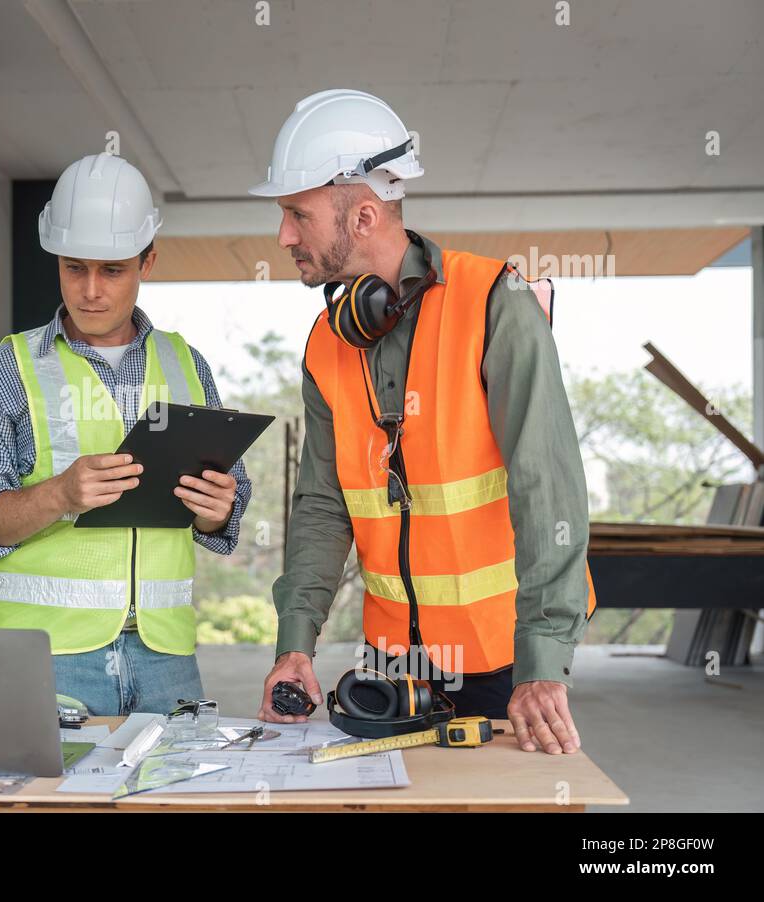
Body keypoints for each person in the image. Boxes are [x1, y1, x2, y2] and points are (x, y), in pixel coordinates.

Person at [251, 90, 595, 755]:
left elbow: (547, 491)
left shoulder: (497, 301)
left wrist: (543, 663)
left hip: (502, 664)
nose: (284, 236)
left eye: (297, 214)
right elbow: (324, 505)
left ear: (365, 214)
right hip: (393, 666)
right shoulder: (326, 343)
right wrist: (296, 644)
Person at [0, 153, 253, 715]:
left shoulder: (189, 365)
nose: (90, 289)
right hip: (45, 656)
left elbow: (224, 507)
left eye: (112, 270)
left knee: (168, 801)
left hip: (167, 655)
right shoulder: (4, 371)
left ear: (148, 261)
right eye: (73, 267)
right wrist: (58, 495)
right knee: (48, 806)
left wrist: (215, 509)